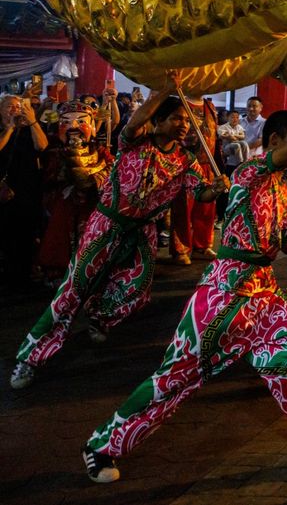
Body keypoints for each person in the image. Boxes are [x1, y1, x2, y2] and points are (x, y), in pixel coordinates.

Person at [81, 104, 287, 483]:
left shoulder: (278, 189)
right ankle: (102, 446)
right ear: (274, 141)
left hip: (263, 290)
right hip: (224, 291)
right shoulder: (250, 172)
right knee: (176, 376)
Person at [10, 80, 229, 389]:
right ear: (159, 121)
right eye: (177, 118)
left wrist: (216, 189)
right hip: (108, 224)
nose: (184, 125)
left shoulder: (186, 160)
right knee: (74, 290)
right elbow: (137, 120)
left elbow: (202, 193)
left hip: (142, 233)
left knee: (137, 291)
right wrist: (165, 90)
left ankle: (100, 314)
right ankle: (29, 358)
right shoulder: (134, 141)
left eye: (186, 120)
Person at [36, 99, 113, 283]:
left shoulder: (100, 151)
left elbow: (112, 171)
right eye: (65, 122)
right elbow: (49, 178)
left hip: (93, 203)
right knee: (59, 235)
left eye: (81, 121)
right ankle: (58, 271)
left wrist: (93, 180)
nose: (73, 126)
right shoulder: (54, 152)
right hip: (65, 203)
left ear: (93, 127)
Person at [0, 93, 49, 287]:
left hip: (27, 188)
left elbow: (42, 145)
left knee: (26, 233)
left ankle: (23, 275)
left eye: (18, 107)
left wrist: (33, 122)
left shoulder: (28, 128)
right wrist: (10, 127)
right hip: (4, 189)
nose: (14, 110)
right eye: (9, 107)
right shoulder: (5, 129)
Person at [169, 100, 220, 265]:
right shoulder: (181, 102)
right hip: (185, 163)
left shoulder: (209, 107)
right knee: (183, 208)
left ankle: (202, 245)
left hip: (207, 164)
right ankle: (181, 249)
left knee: (206, 208)